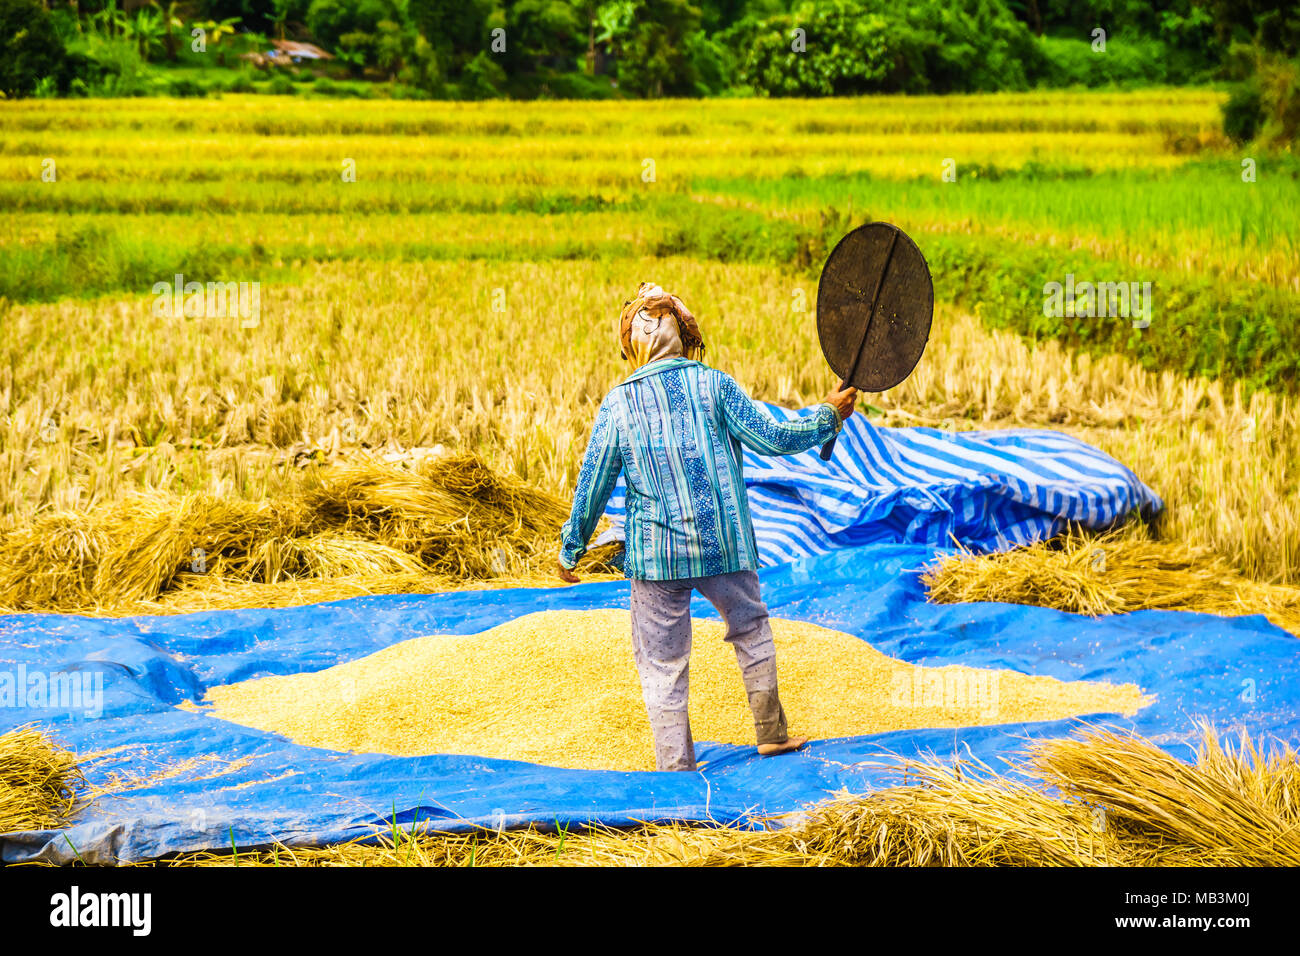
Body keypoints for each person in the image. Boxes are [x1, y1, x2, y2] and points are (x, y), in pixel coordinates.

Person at [557, 282, 858, 772]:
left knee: (661, 661)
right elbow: (775, 437)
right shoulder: (714, 384)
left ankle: (676, 767)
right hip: (724, 543)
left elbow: (594, 481)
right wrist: (826, 415)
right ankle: (772, 735)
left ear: (632, 344)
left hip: (657, 556)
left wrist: (572, 548)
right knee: (751, 627)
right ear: (684, 335)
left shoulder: (619, 404)